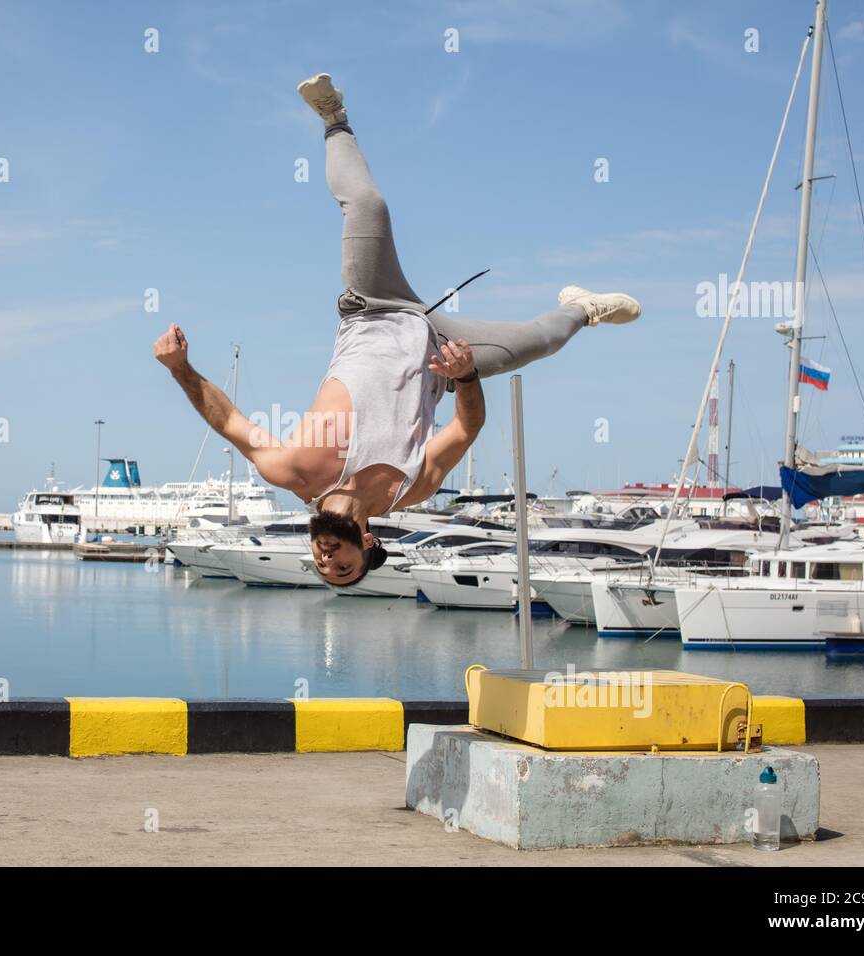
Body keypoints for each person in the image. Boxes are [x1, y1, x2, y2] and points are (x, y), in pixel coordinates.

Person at [154, 73, 640, 587]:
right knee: (540, 342)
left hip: (374, 306)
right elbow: (465, 429)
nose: (326, 560)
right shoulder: (409, 490)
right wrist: (465, 376)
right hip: (442, 355)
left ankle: (334, 119)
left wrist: (180, 369)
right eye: (343, 567)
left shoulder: (293, 471)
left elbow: (229, 422)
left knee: (368, 206)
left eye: (322, 567)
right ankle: (583, 308)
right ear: (368, 543)